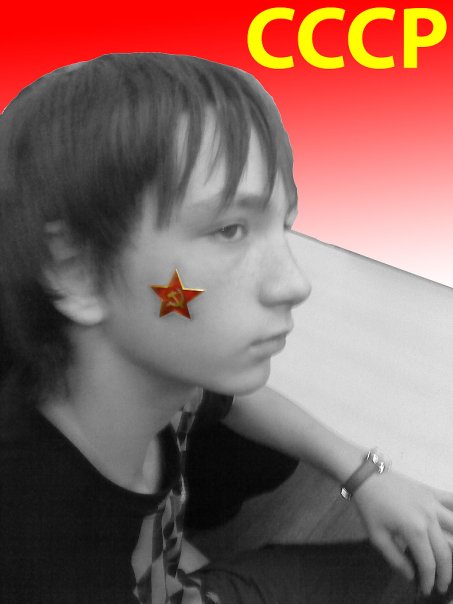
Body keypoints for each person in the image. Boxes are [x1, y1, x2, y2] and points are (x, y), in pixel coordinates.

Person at [0, 53, 452, 604]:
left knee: (270, 458)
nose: (294, 283)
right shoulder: (39, 545)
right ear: (77, 269)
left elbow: (225, 401)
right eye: (230, 229)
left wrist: (365, 475)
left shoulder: (146, 368)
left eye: (282, 224)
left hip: (162, 557)